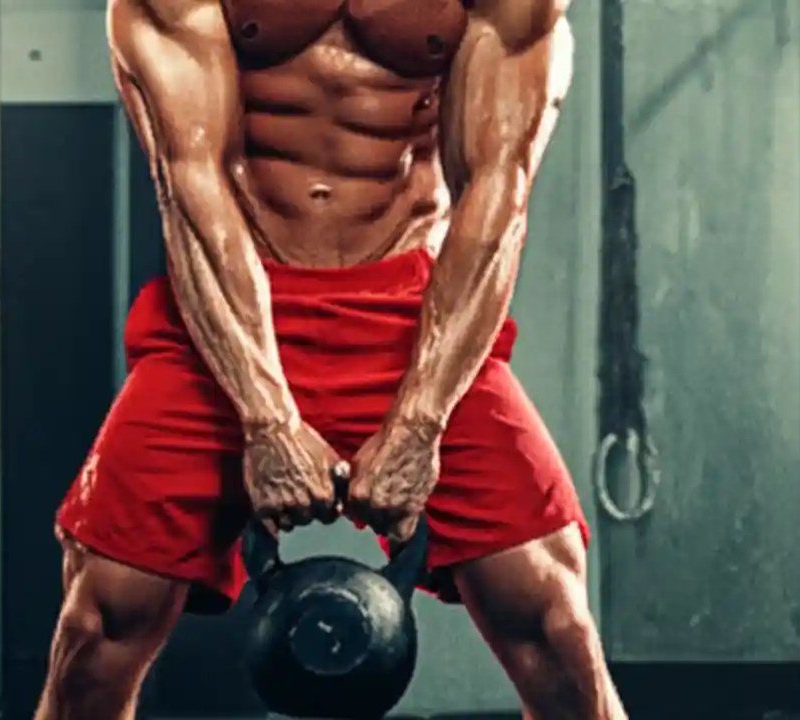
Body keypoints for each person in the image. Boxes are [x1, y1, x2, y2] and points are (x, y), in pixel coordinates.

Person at [38, 0, 627, 718]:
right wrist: (267, 420)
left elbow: (497, 194)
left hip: (415, 319)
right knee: (96, 631)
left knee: (554, 624)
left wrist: (419, 422)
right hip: (229, 311)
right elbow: (191, 184)